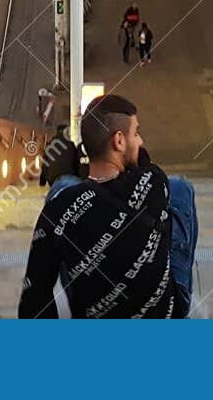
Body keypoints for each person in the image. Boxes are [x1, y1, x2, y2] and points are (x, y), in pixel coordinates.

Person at [19, 94, 183, 318]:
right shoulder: (154, 182)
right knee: (182, 188)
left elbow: (33, 301)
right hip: (166, 314)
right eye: (136, 133)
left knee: (62, 186)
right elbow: (142, 159)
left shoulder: (58, 210)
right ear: (119, 141)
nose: (140, 141)